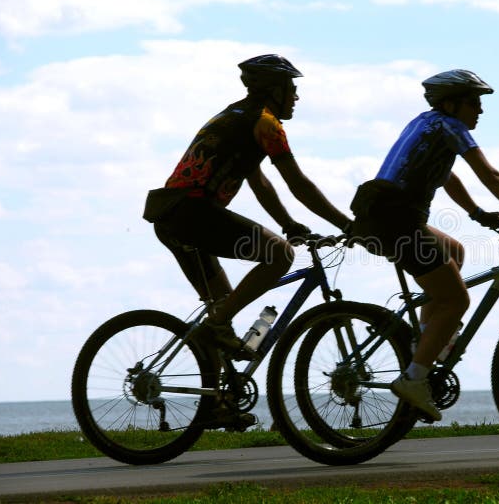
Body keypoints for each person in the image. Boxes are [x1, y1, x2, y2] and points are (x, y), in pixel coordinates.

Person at [350, 69, 499, 421]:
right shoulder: (449, 127)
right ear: (452, 103)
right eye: (474, 102)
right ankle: (414, 378)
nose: (480, 111)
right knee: (457, 299)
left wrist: (477, 212)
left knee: (455, 252)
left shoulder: (426, 124)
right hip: (397, 222)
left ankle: (422, 343)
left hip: (386, 216)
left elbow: (446, 175)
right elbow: (489, 174)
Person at [143, 54, 352, 360]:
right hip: (193, 213)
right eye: (290, 88)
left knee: (222, 315)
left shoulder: (234, 115)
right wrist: (347, 225)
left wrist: (288, 224)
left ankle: (218, 401)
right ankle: (215, 326)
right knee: (280, 255)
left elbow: (259, 182)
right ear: (273, 89)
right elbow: (299, 184)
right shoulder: (266, 123)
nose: (296, 96)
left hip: (171, 217)